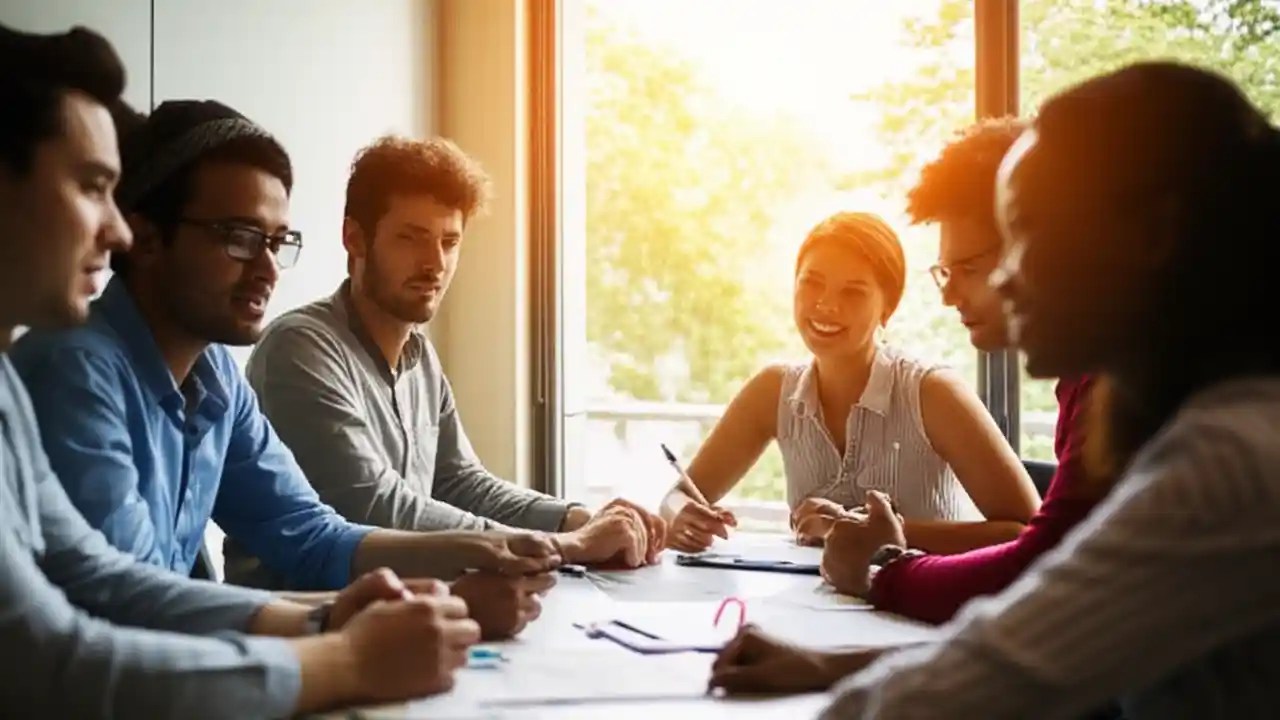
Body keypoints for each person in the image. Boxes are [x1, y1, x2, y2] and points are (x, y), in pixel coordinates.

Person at [711, 62, 1280, 719]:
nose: (1004, 280)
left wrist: (881, 575)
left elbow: (1000, 673)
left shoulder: (1228, 463)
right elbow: (1062, 636)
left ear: (1152, 235)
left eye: (1027, 235)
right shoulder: (1210, 424)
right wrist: (832, 663)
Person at [0, 23, 480, 716]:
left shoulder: (20, 387)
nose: (116, 228)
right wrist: (344, 656)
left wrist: (331, 621)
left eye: (276, 242)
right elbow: (53, 656)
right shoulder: (65, 364)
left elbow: (102, 579)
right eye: (90, 187)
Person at [7, 98, 612, 638]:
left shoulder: (215, 372)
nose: (269, 269)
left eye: (277, 241)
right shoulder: (75, 368)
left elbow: (310, 530)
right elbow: (131, 607)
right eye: (239, 237)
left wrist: (499, 551)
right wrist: (462, 587)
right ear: (145, 237)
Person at [239, 135, 665, 570]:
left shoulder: (419, 356)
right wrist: (561, 545)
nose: (435, 263)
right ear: (354, 239)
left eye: (449, 241)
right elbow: (376, 506)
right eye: (412, 238)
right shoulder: (300, 348)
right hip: (299, 621)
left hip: (409, 610)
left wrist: (579, 519)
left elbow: (461, 483)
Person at [818, 118, 1104, 622]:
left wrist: (884, 568)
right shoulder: (1083, 379)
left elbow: (1042, 573)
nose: (949, 294)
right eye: (945, 271)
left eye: (970, 269)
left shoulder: (1118, 383)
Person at [661, 211, 1039, 554]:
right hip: (813, 611)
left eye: (853, 292)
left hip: (921, 612)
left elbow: (1028, 533)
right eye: (812, 284)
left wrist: (878, 532)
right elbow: (677, 497)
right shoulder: (773, 391)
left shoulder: (933, 393)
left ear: (887, 308)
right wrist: (682, 516)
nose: (826, 305)